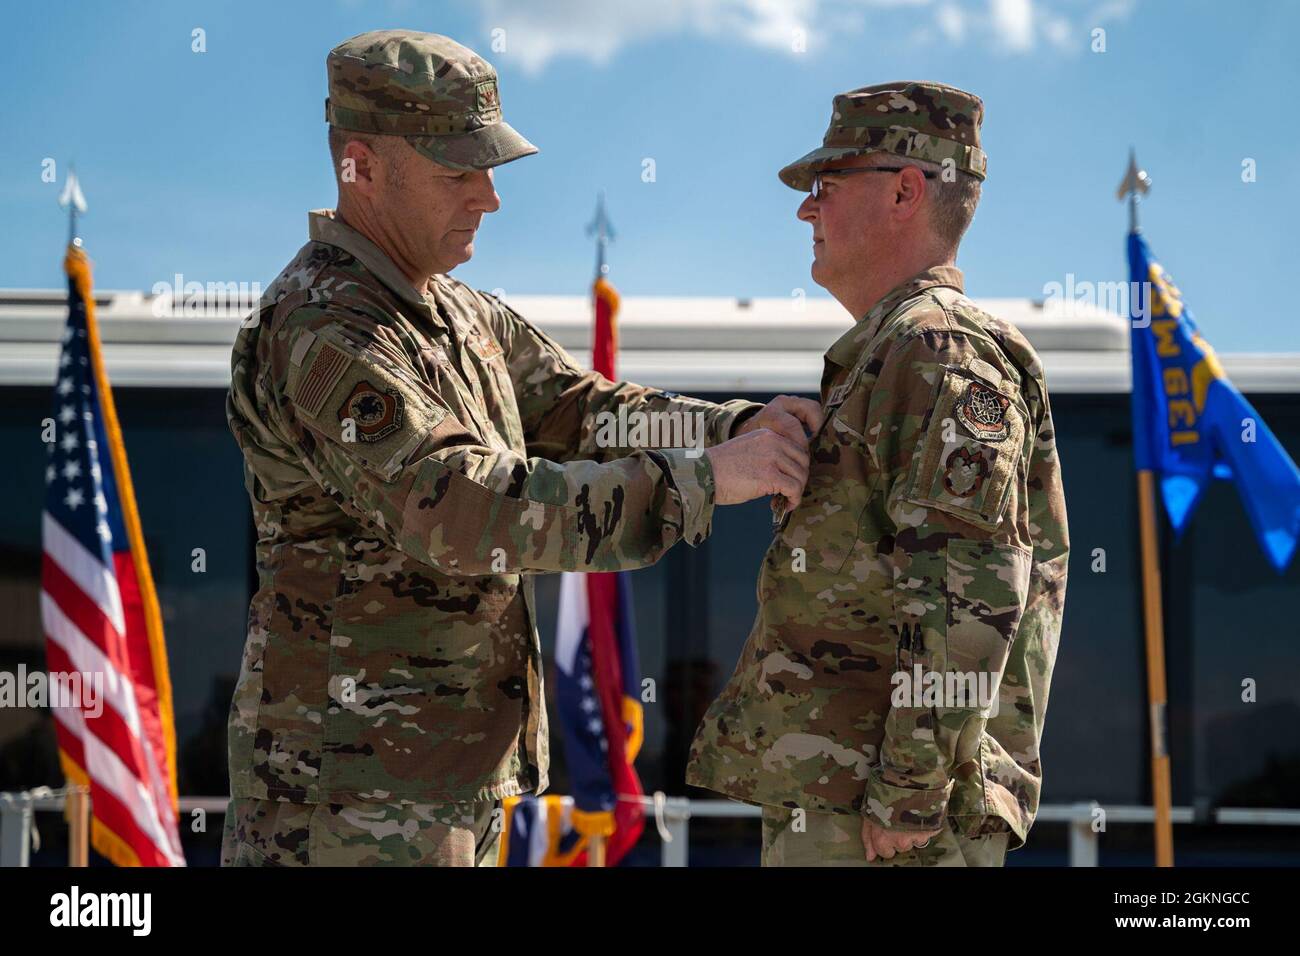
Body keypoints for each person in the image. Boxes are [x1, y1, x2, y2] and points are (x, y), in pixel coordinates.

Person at [219, 29, 820, 866]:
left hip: (446, 785)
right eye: (457, 172)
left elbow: (588, 412)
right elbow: (459, 509)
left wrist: (737, 429)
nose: (490, 198)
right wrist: (704, 481)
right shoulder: (323, 330)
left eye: (490, 168)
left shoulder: (459, 313)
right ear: (360, 165)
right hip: (349, 804)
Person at [687, 81, 1070, 867]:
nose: (806, 211)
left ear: (905, 190)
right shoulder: (897, 350)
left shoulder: (937, 351)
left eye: (826, 186)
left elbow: (970, 585)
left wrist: (911, 791)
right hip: (850, 804)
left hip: (880, 823)